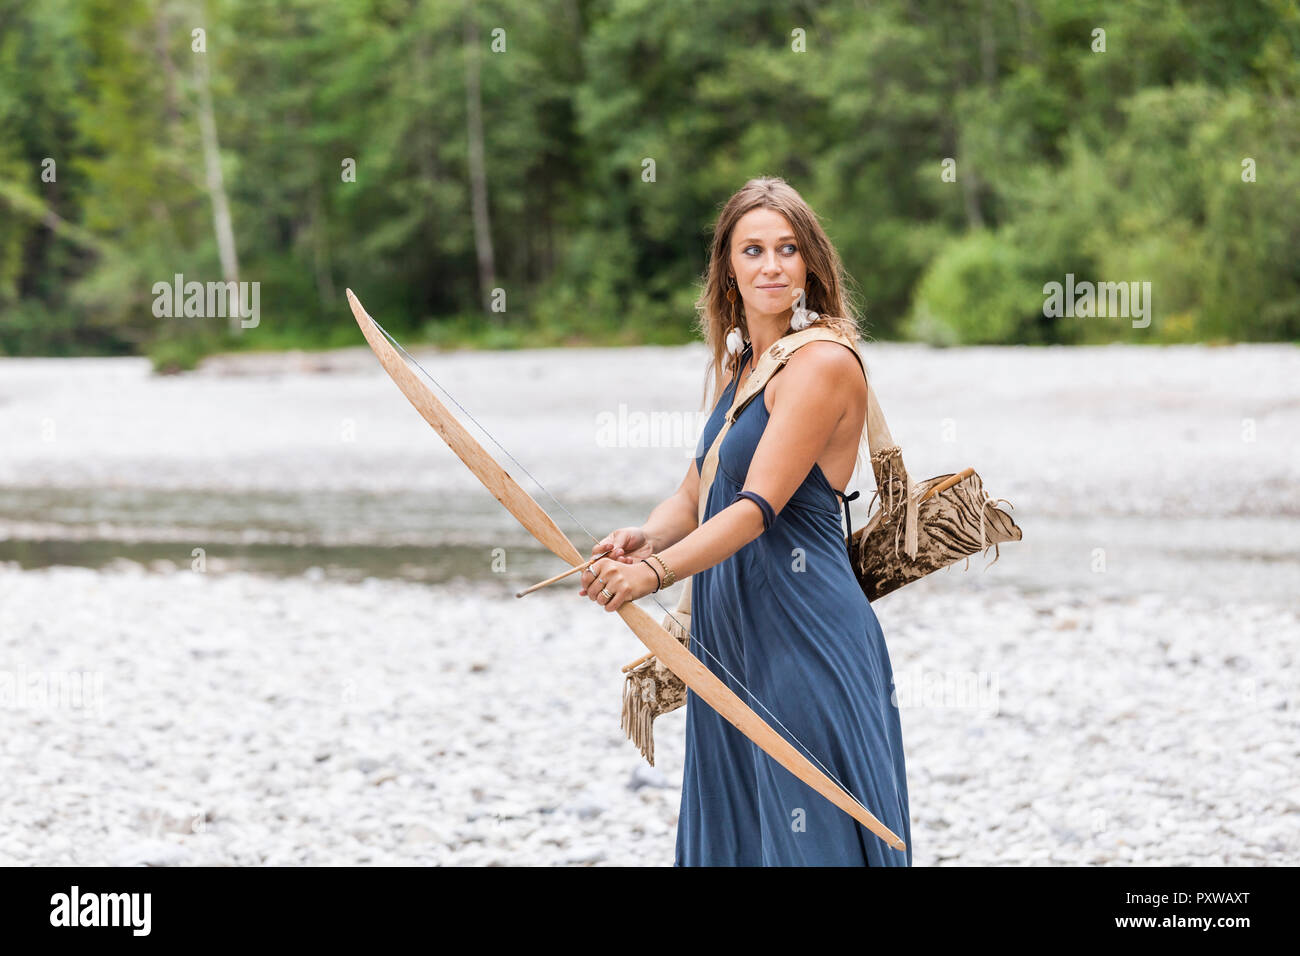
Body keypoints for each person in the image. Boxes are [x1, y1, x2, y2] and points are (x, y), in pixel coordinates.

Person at [577, 177, 912, 866]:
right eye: (752, 250)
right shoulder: (743, 369)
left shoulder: (821, 363)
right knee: (738, 842)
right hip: (730, 641)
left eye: (787, 249)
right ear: (727, 269)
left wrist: (652, 575)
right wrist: (646, 537)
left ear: (810, 264)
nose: (771, 265)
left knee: (809, 839)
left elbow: (755, 510)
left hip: (803, 636)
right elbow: (693, 494)